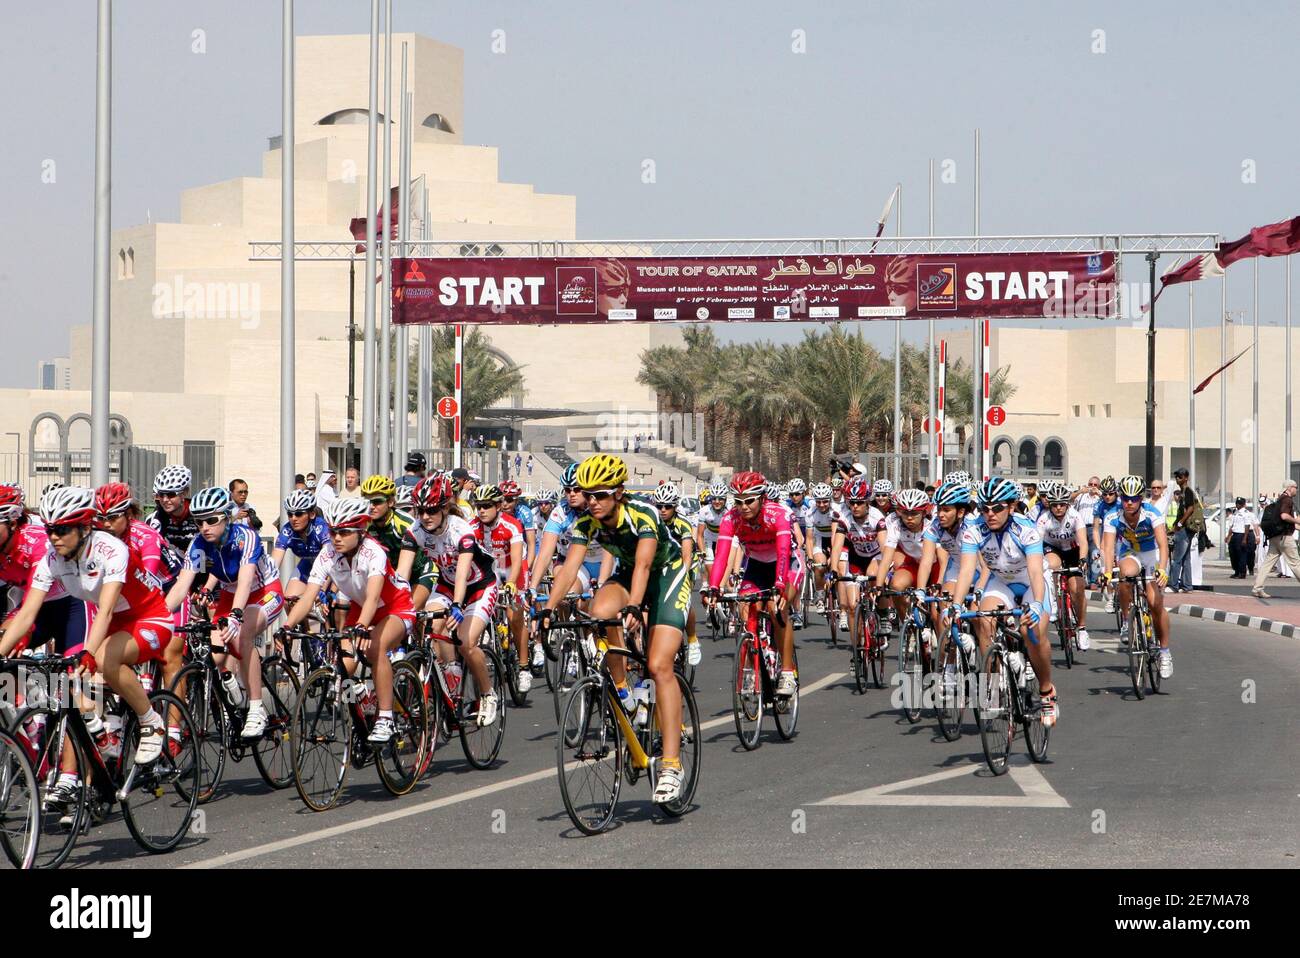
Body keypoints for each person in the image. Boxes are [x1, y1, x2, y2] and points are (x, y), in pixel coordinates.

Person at [539, 454, 691, 804]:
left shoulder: (643, 513)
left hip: (664, 576)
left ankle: (671, 764)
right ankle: (624, 692)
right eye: (587, 494)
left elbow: (644, 563)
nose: (592, 502)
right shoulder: (586, 524)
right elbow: (568, 570)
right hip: (628, 576)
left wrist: (636, 605)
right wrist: (546, 610)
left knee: (659, 665)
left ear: (619, 493)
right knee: (599, 610)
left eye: (600, 495)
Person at [3, 487, 176, 776]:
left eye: (61, 529)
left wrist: (88, 653)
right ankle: (103, 735)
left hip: (149, 618)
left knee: (104, 661)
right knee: (76, 687)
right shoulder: (52, 558)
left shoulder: (111, 549)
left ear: (84, 527)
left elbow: (106, 610)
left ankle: (151, 722)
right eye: (49, 530)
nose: (53, 537)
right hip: (113, 623)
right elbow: (26, 615)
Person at [280, 497, 414, 743]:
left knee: (376, 647)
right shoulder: (328, 553)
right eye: (332, 531)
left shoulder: (373, 552)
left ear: (361, 530)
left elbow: (374, 597)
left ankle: (385, 717)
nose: (336, 538)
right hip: (360, 607)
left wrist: (363, 627)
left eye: (343, 532)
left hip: (394, 607)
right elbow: (308, 596)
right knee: (344, 667)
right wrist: (286, 627)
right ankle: (365, 699)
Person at [165, 486, 283, 739]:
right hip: (232, 593)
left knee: (243, 634)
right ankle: (235, 692)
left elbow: (245, 581)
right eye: (199, 522)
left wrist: (236, 615)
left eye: (211, 520)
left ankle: (256, 708)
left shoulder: (245, 536)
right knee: (217, 656)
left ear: (227, 518)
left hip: (263, 590)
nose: (204, 527)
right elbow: (182, 584)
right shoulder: (199, 543)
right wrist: (161, 615)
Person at [947, 476, 1058, 726]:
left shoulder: (1026, 529)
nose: (990, 514)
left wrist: (1038, 604)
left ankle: (1046, 690)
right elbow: (966, 572)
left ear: (1010, 506)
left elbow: (1035, 572)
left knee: (1031, 631)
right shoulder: (973, 530)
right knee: (984, 620)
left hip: (1032, 583)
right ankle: (994, 687)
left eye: (997, 508)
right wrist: (955, 606)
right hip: (1001, 582)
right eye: (985, 508)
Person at [396, 476, 501, 728]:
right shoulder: (416, 531)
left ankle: (488, 693)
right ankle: (449, 674)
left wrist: (456, 605)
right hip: (446, 584)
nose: (424, 516)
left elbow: (464, 572)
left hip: (478, 586)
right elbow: (401, 575)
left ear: (444, 507)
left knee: (466, 641)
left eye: (431, 510)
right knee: (430, 626)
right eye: (420, 510)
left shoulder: (461, 529)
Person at [1099, 475, 1173, 678]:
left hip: (1151, 555)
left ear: (1141, 499)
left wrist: (1163, 569)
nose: (1129, 502)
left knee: (1155, 603)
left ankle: (1165, 652)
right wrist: (1106, 571)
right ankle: (1126, 619)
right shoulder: (1112, 516)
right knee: (1125, 574)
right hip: (1129, 552)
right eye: (1125, 498)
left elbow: (1163, 544)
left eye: (1134, 498)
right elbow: (1108, 546)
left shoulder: (1152, 513)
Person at [1252, 479, 1300, 597]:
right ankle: (1257, 588)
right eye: (1295, 487)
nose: (1296, 490)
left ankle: (1257, 588)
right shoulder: (1287, 500)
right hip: (1284, 537)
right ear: (1289, 488)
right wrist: (1296, 520)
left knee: (1267, 563)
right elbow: (1284, 516)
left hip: (1274, 537)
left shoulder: (1279, 500)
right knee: (1295, 563)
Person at [1167, 467, 1202, 594]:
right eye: (1176, 477)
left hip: (1185, 529)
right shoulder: (1183, 492)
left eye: (1180, 477)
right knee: (1186, 559)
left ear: (1186, 478)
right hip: (1184, 528)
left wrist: (1180, 523)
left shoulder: (1187, 492)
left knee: (1176, 559)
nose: (1178, 479)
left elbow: (1190, 509)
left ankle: (1173, 585)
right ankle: (1187, 586)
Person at [1227, 496, 1259, 579]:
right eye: (1237, 503)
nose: (1238, 505)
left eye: (1240, 504)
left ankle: (1242, 572)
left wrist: (1245, 538)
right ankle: (1236, 571)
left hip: (1242, 535)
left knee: (1242, 554)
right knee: (1233, 554)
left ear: (1244, 504)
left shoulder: (1246, 513)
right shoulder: (1235, 513)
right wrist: (1228, 536)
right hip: (1235, 535)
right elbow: (1232, 526)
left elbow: (1247, 525)